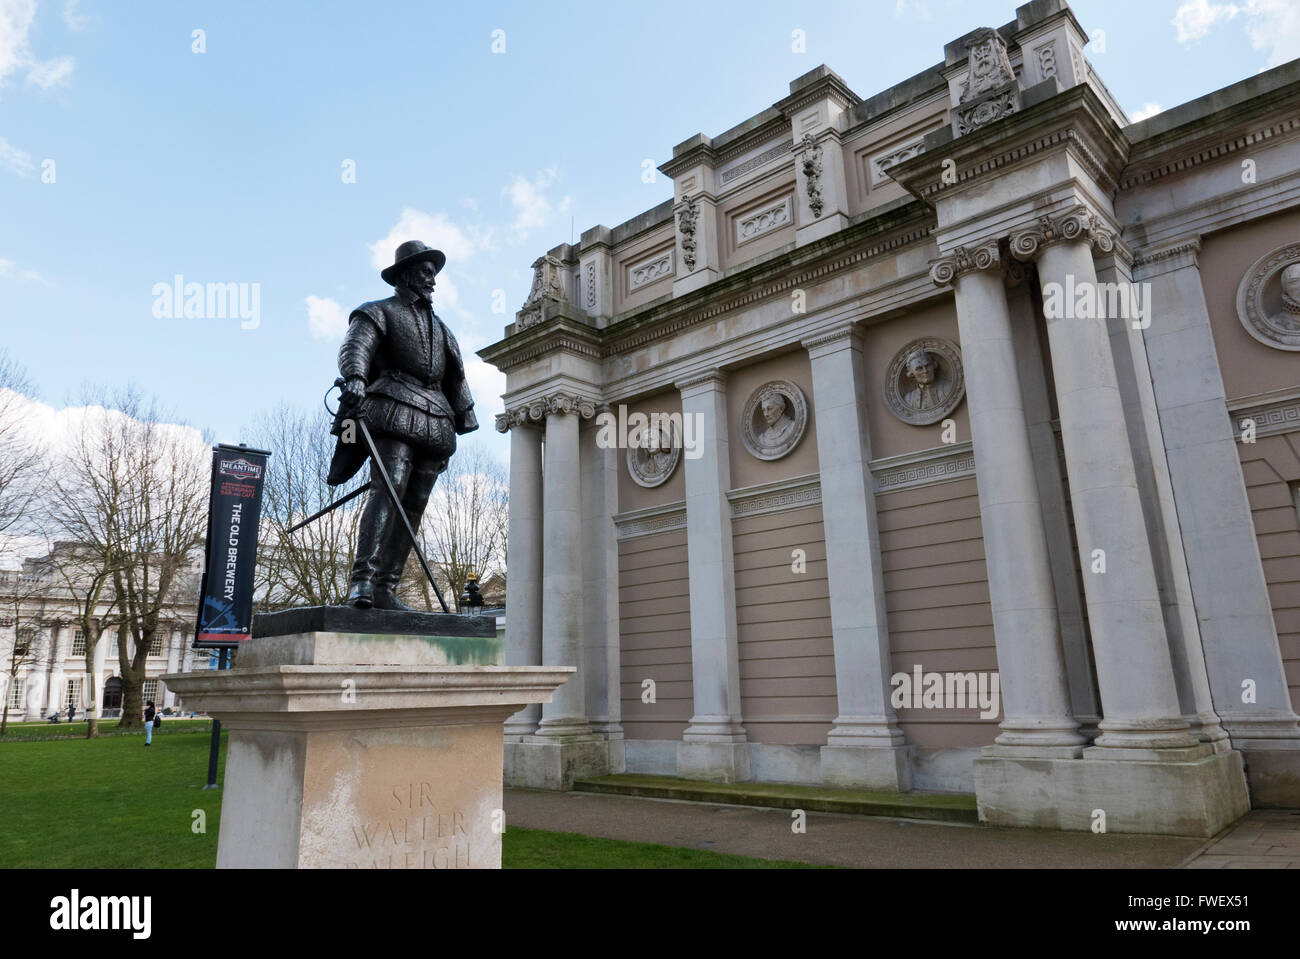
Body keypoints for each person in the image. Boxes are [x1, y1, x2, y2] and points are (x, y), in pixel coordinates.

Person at [328, 241, 479, 610]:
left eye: (434, 273)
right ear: (407, 274)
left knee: (416, 502)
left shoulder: (442, 328)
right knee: (388, 487)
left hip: (436, 416)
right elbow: (356, 346)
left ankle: (386, 585)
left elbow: (455, 373)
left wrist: (466, 414)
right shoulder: (378, 311)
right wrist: (356, 378)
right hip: (392, 404)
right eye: (426, 272)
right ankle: (361, 580)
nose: (432, 280)